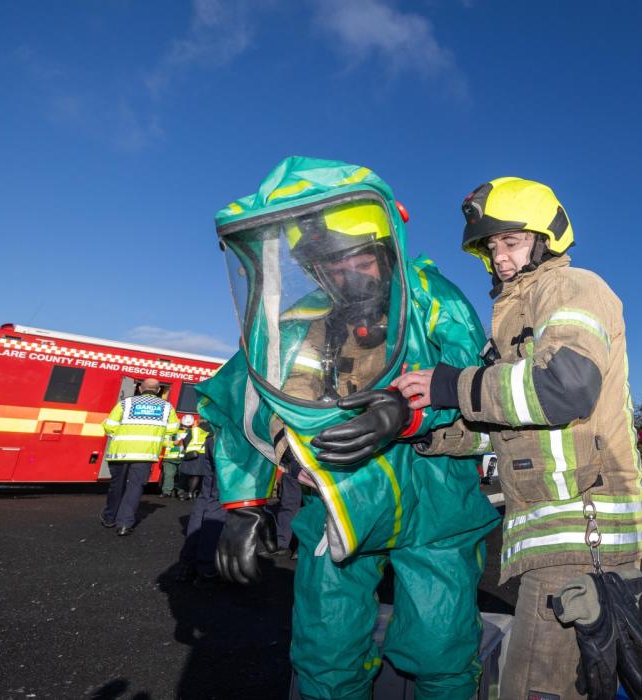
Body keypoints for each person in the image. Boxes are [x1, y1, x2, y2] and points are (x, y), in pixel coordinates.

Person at [196, 156, 500, 700]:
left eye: (353, 257)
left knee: (441, 648)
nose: (342, 274)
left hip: (431, 496)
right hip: (339, 492)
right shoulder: (300, 323)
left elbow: (468, 381)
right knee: (325, 650)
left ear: (384, 250)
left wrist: (405, 413)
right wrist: (245, 506)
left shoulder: (431, 299)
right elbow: (245, 399)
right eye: (327, 265)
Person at [390, 177, 642, 700]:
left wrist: (449, 383)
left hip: (581, 540)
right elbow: (500, 426)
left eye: (510, 242)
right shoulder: (514, 318)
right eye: (491, 247)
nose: (499, 258)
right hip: (560, 543)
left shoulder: (572, 289)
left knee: (533, 689)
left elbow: (564, 388)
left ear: (545, 239)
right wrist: (420, 430)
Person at [100, 377, 179, 536]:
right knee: (135, 488)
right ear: (158, 391)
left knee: (117, 486)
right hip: (145, 454)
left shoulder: (125, 403)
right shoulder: (167, 407)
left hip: (120, 453)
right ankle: (124, 525)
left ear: (140, 389)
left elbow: (109, 425)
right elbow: (172, 429)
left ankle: (109, 518)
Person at [177, 422, 223, 587]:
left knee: (206, 498)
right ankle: (207, 567)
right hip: (230, 440)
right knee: (218, 502)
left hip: (214, 438)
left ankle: (187, 564)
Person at [177, 416, 211, 500]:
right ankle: (194, 493)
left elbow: (186, 441)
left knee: (189, 474)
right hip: (203, 454)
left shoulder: (195, 430)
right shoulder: (211, 431)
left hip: (192, 454)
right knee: (198, 475)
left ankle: (188, 493)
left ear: (199, 422)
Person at [159, 414, 192, 498]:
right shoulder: (172, 431)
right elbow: (163, 441)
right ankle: (166, 492)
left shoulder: (193, 433)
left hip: (184, 458)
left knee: (183, 476)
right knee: (168, 475)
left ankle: (181, 492)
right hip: (170, 457)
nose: (185, 427)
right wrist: (173, 442)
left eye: (188, 426)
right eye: (185, 425)